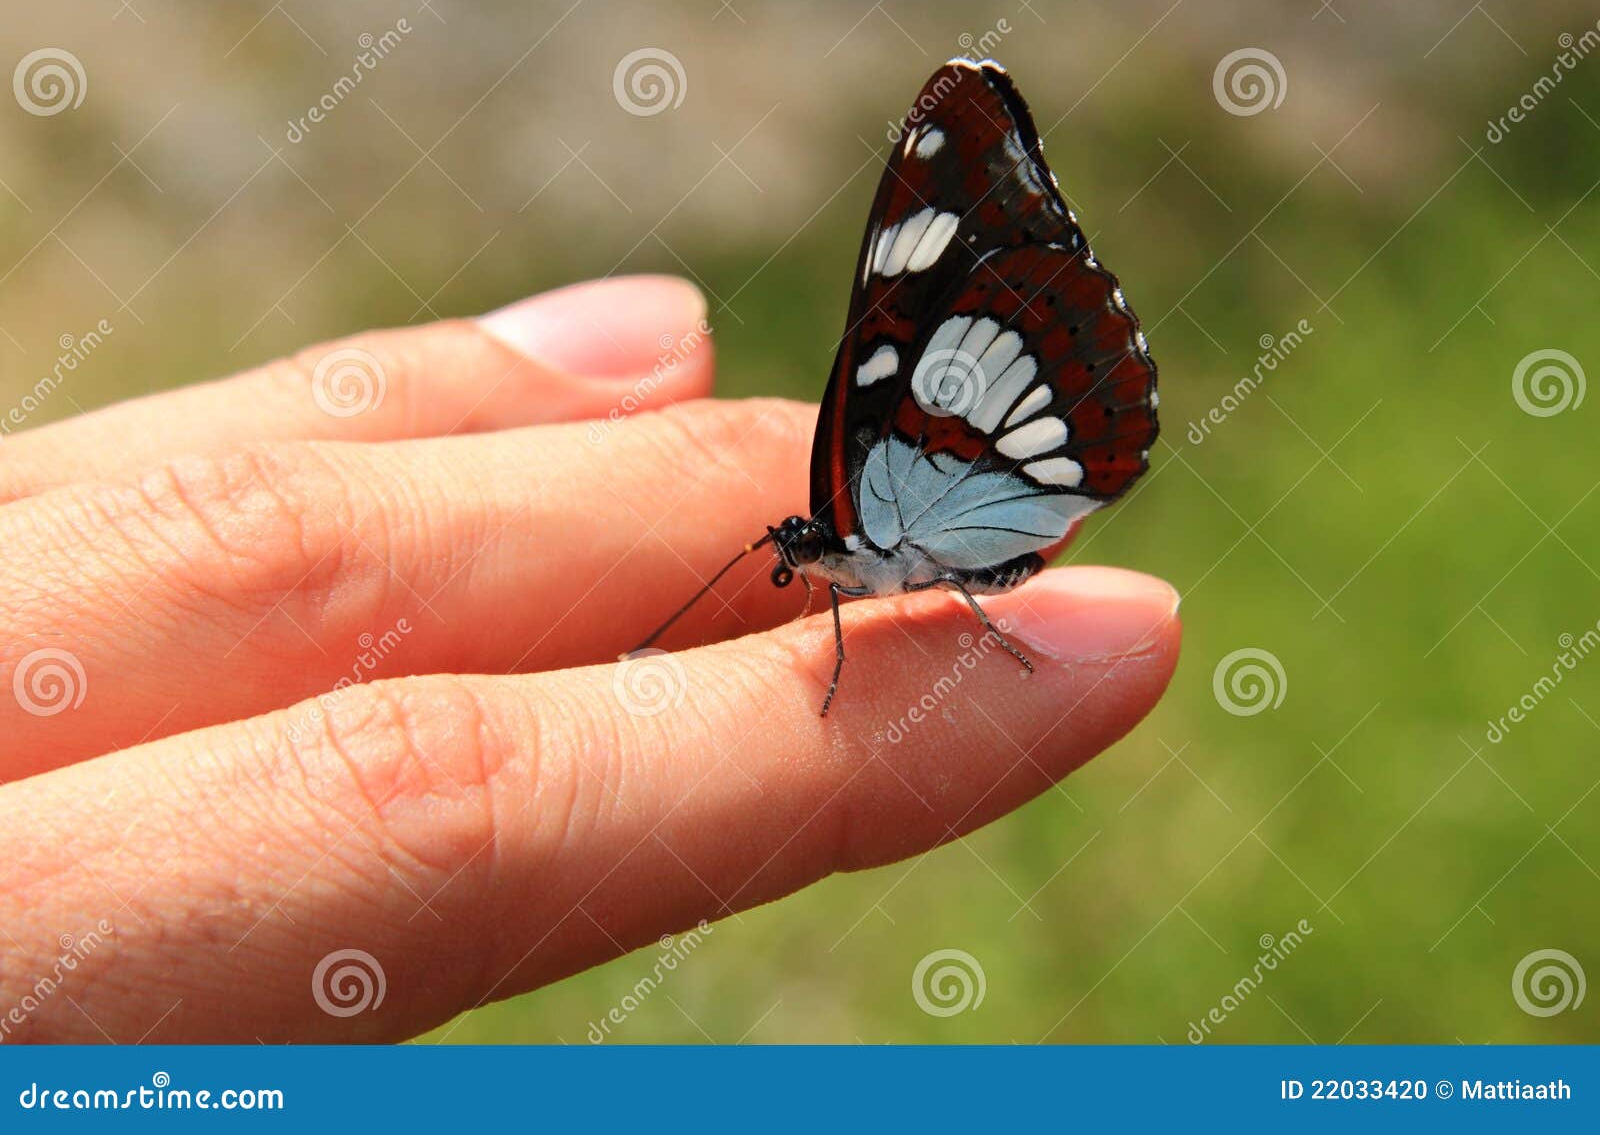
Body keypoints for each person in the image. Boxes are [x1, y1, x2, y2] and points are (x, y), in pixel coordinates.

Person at [0, 275, 1181, 1042]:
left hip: (998, 466)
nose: (800, 558)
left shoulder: (864, 513)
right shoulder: (841, 548)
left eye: (802, 548)